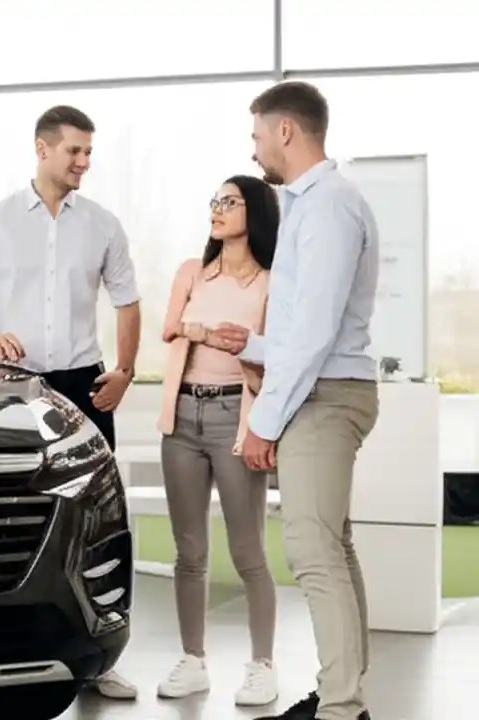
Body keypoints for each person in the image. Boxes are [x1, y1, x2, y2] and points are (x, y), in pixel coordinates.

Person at [0, 104, 142, 701]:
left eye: (88, 152)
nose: (84, 162)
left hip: (86, 385)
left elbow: (128, 302)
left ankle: (99, 657)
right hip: (10, 386)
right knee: (3, 517)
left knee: (96, 522)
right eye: (74, 151)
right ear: (42, 149)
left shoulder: (103, 225)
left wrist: (125, 372)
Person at [209, 81, 380, 720]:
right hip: (323, 385)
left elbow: (314, 331)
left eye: (257, 135)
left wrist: (263, 420)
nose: (254, 150)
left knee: (312, 553)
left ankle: (342, 709)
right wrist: (255, 343)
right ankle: (342, 693)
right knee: (334, 546)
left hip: (326, 395)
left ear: (285, 130)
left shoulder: (329, 204)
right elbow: (305, 324)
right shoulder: (311, 203)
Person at [155, 175, 280, 707]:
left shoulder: (271, 282)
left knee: (248, 550)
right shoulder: (192, 272)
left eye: (231, 201)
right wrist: (209, 334)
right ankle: (193, 660)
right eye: (216, 201)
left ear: (256, 212)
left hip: (237, 415)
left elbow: (275, 354)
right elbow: (169, 328)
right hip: (182, 416)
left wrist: (239, 345)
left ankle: (262, 666)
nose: (219, 209)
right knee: (189, 551)